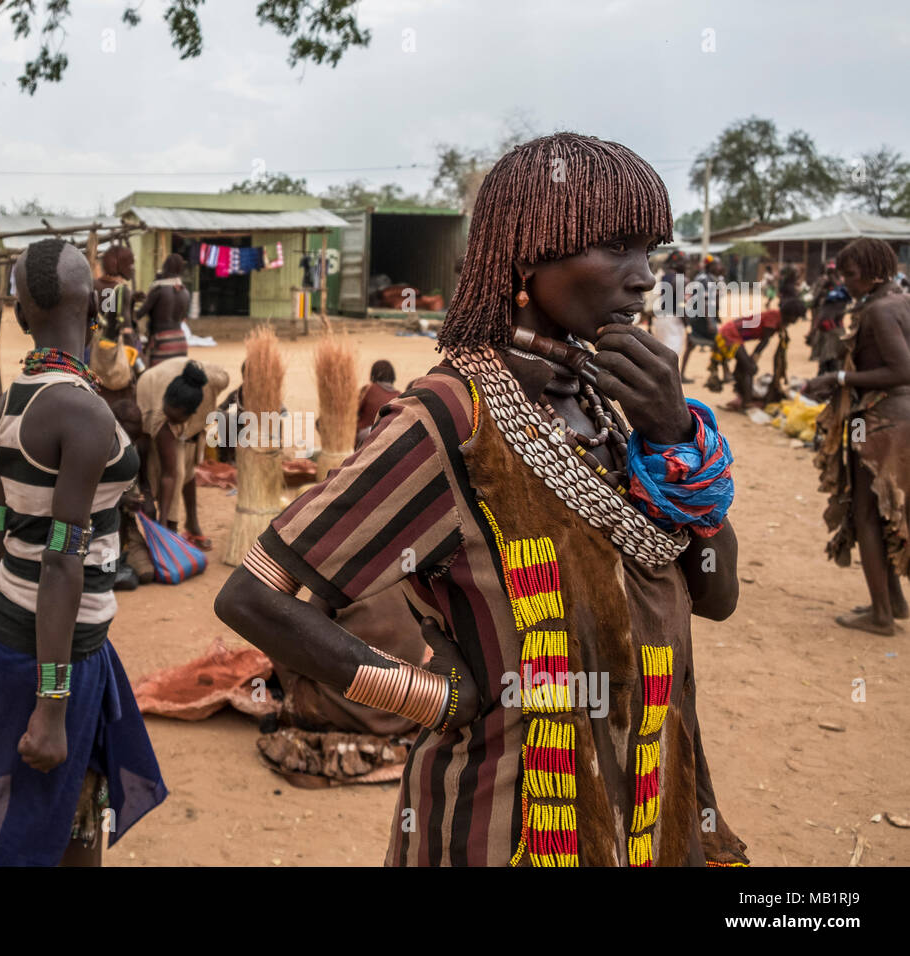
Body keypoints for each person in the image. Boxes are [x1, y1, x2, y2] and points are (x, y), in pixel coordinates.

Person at [215, 132, 748, 867]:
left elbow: (716, 596)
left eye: (650, 249)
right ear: (529, 255)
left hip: (649, 806)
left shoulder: (619, 408)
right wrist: (429, 699)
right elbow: (253, 595)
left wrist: (675, 431)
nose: (645, 277)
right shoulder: (449, 419)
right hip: (506, 825)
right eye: (618, 247)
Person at [0, 238, 166, 867]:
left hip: (14, 623)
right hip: (55, 647)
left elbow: (2, 518)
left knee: (58, 808)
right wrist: (52, 707)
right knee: (65, 816)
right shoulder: (81, 412)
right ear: (97, 307)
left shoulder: (18, 393)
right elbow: (62, 560)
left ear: (21, 314)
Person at [806, 237, 910, 636]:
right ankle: (894, 601)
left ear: (872, 271)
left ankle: (881, 615)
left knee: (866, 512)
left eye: (850, 274)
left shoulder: (880, 311)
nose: (845, 282)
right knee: (887, 511)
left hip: (881, 423)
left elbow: (902, 370)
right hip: (898, 421)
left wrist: (839, 378)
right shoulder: (901, 300)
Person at [135, 356, 229, 550]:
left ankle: (190, 524)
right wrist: (145, 489)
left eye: (176, 418)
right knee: (176, 470)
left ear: (191, 414)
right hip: (153, 389)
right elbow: (169, 474)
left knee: (187, 469)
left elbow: (224, 376)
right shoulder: (159, 414)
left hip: (192, 400)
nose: (171, 418)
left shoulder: (215, 380)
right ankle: (171, 527)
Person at [715, 299, 806, 410]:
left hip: (735, 335)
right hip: (731, 334)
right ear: (791, 314)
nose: (795, 321)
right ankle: (747, 402)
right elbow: (765, 341)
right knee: (750, 368)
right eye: (795, 317)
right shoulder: (774, 317)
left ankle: (742, 398)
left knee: (744, 369)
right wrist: (754, 357)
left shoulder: (777, 317)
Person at [137, 254, 191, 366]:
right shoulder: (185, 292)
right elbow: (183, 316)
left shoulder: (158, 290)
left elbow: (139, 314)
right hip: (181, 342)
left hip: (161, 343)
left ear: (165, 267)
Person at [809, 263, 852, 375]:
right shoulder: (840, 288)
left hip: (831, 326)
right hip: (830, 324)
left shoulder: (840, 290)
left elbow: (817, 296)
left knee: (829, 359)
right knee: (828, 358)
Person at [356, 359, 401, 443]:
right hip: (391, 439)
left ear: (373, 374)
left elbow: (354, 411)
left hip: (365, 438)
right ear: (392, 376)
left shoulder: (369, 389)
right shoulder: (400, 396)